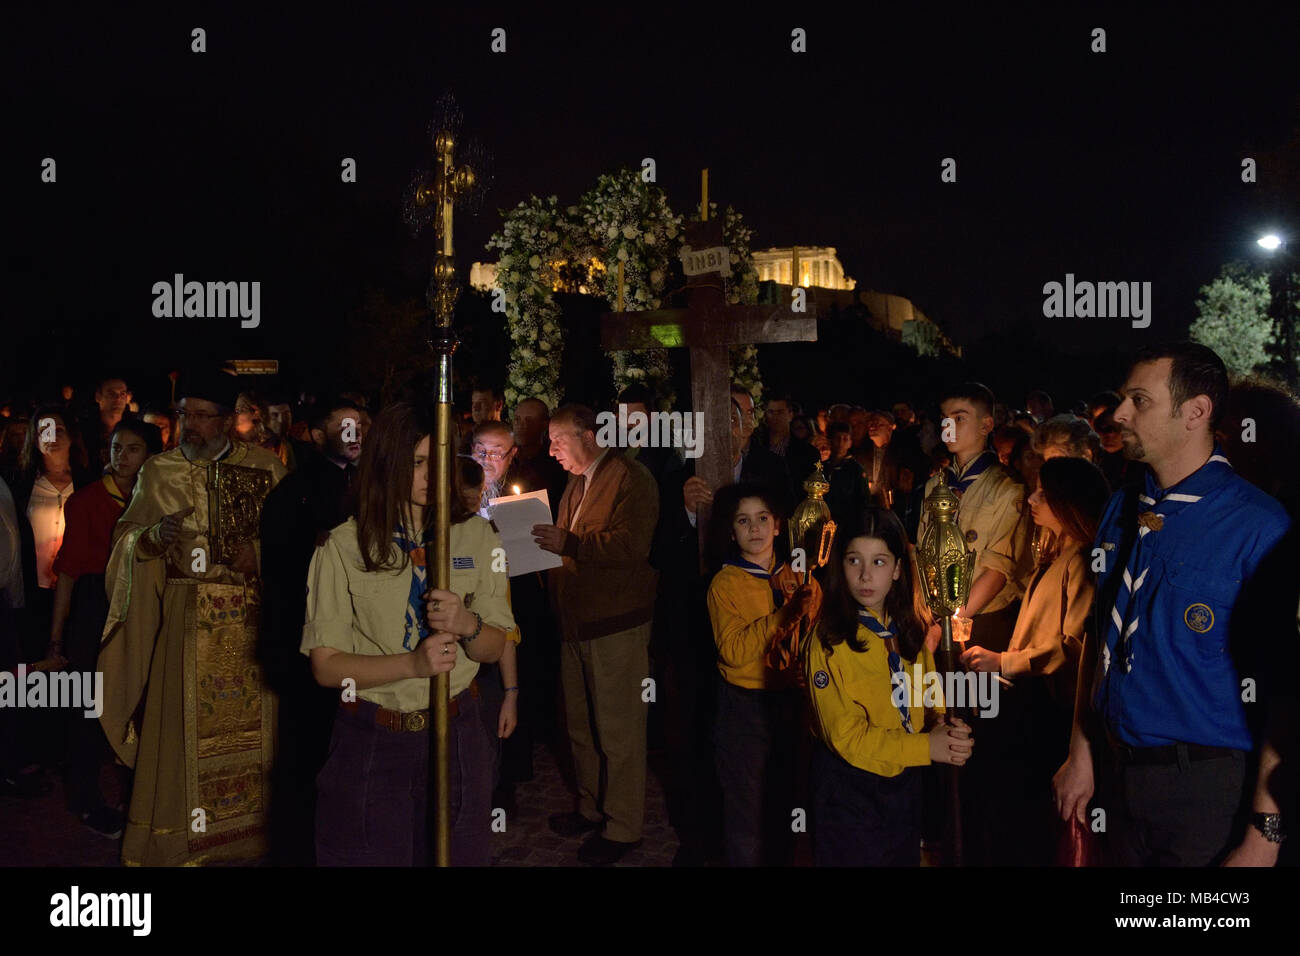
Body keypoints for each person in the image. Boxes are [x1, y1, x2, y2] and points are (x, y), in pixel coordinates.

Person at [1053, 343, 1293, 866]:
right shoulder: (1123, 507)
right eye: (1122, 398)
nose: (1119, 414)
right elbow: (1101, 633)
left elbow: (1285, 688)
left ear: (1196, 412)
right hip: (1120, 779)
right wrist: (1082, 750)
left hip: (1207, 790)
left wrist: (1265, 833)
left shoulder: (1260, 526)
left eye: (1139, 400)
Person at [303, 401, 515, 866]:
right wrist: (412, 665)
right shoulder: (344, 545)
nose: (430, 475)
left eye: (438, 460)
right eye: (417, 462)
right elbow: (326, 666)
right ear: (387, 462)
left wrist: (466, 625)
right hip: (374, 737)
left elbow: (495, 643)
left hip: (458, 732)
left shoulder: (478, 539)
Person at [98, 369, 287, 866]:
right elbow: (125, 542)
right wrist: (154, 538)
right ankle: (177, 840)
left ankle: (253, 837)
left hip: (252, 621)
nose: (192, 426)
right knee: (179, 730)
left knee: (259, 733)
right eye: (185, 415)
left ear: (228, 420)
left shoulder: (267, 468)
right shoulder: (158, 471)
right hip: (185, 621)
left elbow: (302, 544)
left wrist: (261, 557)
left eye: (204, 416)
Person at [959, 456, 1108, 864]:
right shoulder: (1056, 555)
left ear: (1067, 500)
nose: (1032, 499)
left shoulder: (1080, 561)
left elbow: (1076, 646)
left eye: (1043, 492)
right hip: (1032, 705)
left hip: (1049, 714)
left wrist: (1006, 661)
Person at [804, 506, 973, 865]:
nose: (866, 575)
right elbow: (847, 736)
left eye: (879, 562)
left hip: (903, 785)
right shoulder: (827, 640)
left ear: (898, 568)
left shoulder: (908, 629)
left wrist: (944, 727)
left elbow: (929, 693)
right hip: (849, 790)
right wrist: (927, 747)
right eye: (854, 560)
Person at [534, 403, 659, 866]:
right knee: (581, 726)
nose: (550, 450)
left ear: (589, 435)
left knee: (619, 729)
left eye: (557, 439)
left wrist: (568, 544)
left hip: (615, 625)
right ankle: (591, 807)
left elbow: (631, 546)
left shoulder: (631, 479)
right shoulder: (575, 483)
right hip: (574, 622)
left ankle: (623, 825)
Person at [916, 382, 1035, 865]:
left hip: (979, 630)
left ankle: (982, 847)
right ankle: (941, 838)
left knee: (979, 746)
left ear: (987, 425)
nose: (950, 425)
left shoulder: (1007, 489)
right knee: (938, 728)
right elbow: (922, 549)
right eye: (944, 416)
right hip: (934, 627)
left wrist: (953, 616)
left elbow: (1000, 564)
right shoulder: (935, 484)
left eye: (960, 415)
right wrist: (924, 610)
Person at [258, 395, 366, 864]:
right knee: (306, 756)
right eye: (343, 427)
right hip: (309, 649)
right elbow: (283, 571)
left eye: (360, 426)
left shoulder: (371, 485)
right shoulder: (294, 490)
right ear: (319, 436)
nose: (355, 434)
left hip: (360, 646)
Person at [47, 419, 161, 838]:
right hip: (96, 606)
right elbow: (69, 573)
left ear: (150, 455)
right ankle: (86, 800)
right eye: (116, 448)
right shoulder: (88, 500)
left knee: (141, 704)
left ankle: (138, 799)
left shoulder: (157, 498)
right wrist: (57, 637)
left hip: (144, 608)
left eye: (133, 449)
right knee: (88, 709)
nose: (122, 457)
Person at [706, 483, 819, 866]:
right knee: (747, 811)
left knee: (787, 802)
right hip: (745, 708)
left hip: (791, 704)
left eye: (762, 519)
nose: (754, 528)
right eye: (743, 521)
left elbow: (818, 636)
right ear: (731, 530)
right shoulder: (726, 583)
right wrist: (783, 617)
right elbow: (734, 651)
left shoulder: (798, 578)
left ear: (777, 526)